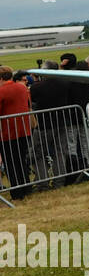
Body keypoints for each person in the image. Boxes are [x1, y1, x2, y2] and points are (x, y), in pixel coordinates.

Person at [29, 61, 71, 189]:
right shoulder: (65, 83)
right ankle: (59, 182)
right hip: (61, 122)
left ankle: (43, 182)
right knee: (59, 152)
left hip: (44, 125)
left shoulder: (37, 87)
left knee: (37, 153)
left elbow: (33, 101)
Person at [0, 65, 35, 200]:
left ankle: (17, 192)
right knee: (21, 160)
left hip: (8, 132)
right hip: (24, 129)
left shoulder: (2, 90)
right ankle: (26, 187)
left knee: (11, 163)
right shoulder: (22, 87)